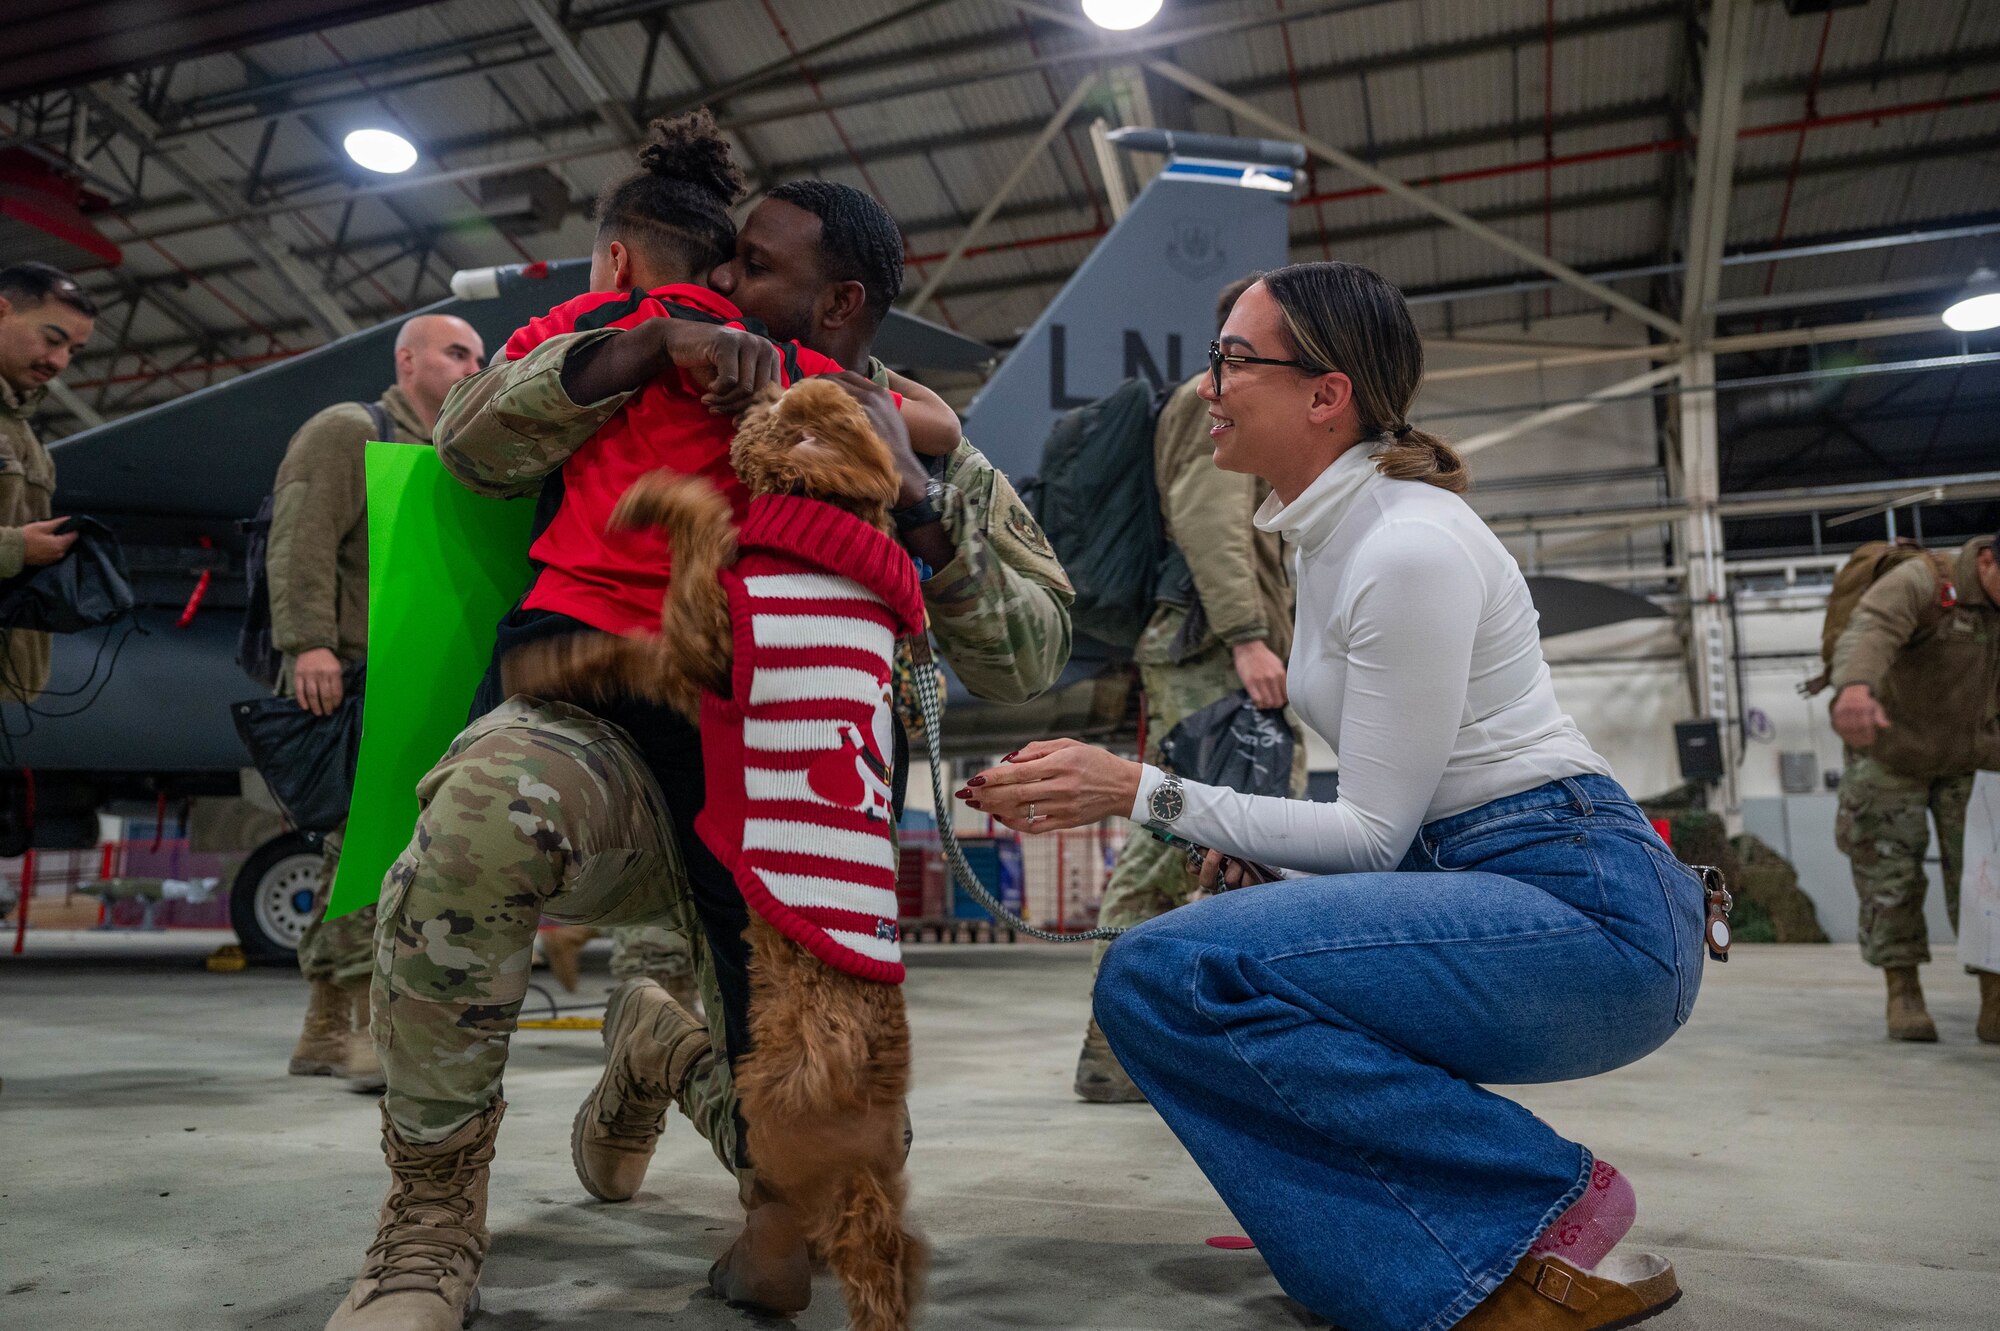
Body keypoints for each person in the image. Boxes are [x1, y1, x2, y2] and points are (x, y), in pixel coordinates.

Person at [322, 131, 1071, 1330]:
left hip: (791, 804)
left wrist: (921, 495)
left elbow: (1030, 649)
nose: (722, 288)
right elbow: (467, 441)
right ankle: (427, 1220)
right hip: (607, 747)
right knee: (477, 813)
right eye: (718, 266)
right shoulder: (639, 345)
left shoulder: (922, 437)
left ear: (839, 302)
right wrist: (636, 351)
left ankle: (659, 1051)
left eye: (753, 271)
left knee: (836, 1180)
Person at [956, 262, 1706, 1331]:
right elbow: (1384, 828)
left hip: (1588, 906)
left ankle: (1535, 1197)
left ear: (1325, 394)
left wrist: (1139, 790)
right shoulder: (1329, 538)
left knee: (1164, 965)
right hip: (1488, 877)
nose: (1205, 385)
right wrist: (1279, 870)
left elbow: (1372, 828)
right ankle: (1386, 1235)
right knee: (1173, 970)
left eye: (1231, 359)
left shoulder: (1405, 544)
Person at [1073, 271, 1307, 1103]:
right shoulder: (1217, 398)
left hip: (1206, 643)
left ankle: (1141, 1040)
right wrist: (1248, 637)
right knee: (1174, 831)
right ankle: (1118, 1041)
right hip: (1209, 645)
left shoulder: (1228, 399)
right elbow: (1210, 516)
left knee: (1198, 833)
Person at [273, 313, 485, 1092]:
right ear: (408, 359)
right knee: (357, 849)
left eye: (479, 356)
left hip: (415, 674)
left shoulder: (455, 450)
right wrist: (308, 643)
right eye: (456, 352)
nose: (472, 365)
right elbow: (300, 536)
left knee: (393, 849)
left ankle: (345, 1024)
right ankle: (345, 1023)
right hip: (351, 671)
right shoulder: (347, 428)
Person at [1828, 535, 2000, 1043]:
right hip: (1892, 756)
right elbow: (1872, 628)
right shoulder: (1926, 580)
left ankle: (1995, 993)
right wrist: (1855, 687)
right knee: (1890, 879)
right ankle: (1902, 990)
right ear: (1988, 560)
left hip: (1975, 762)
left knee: (1988, 881)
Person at [0, 262, 95, 703]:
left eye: (72, 350)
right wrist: (17, 548)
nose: (58, 361)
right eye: (52, 339)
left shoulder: (26, 439)